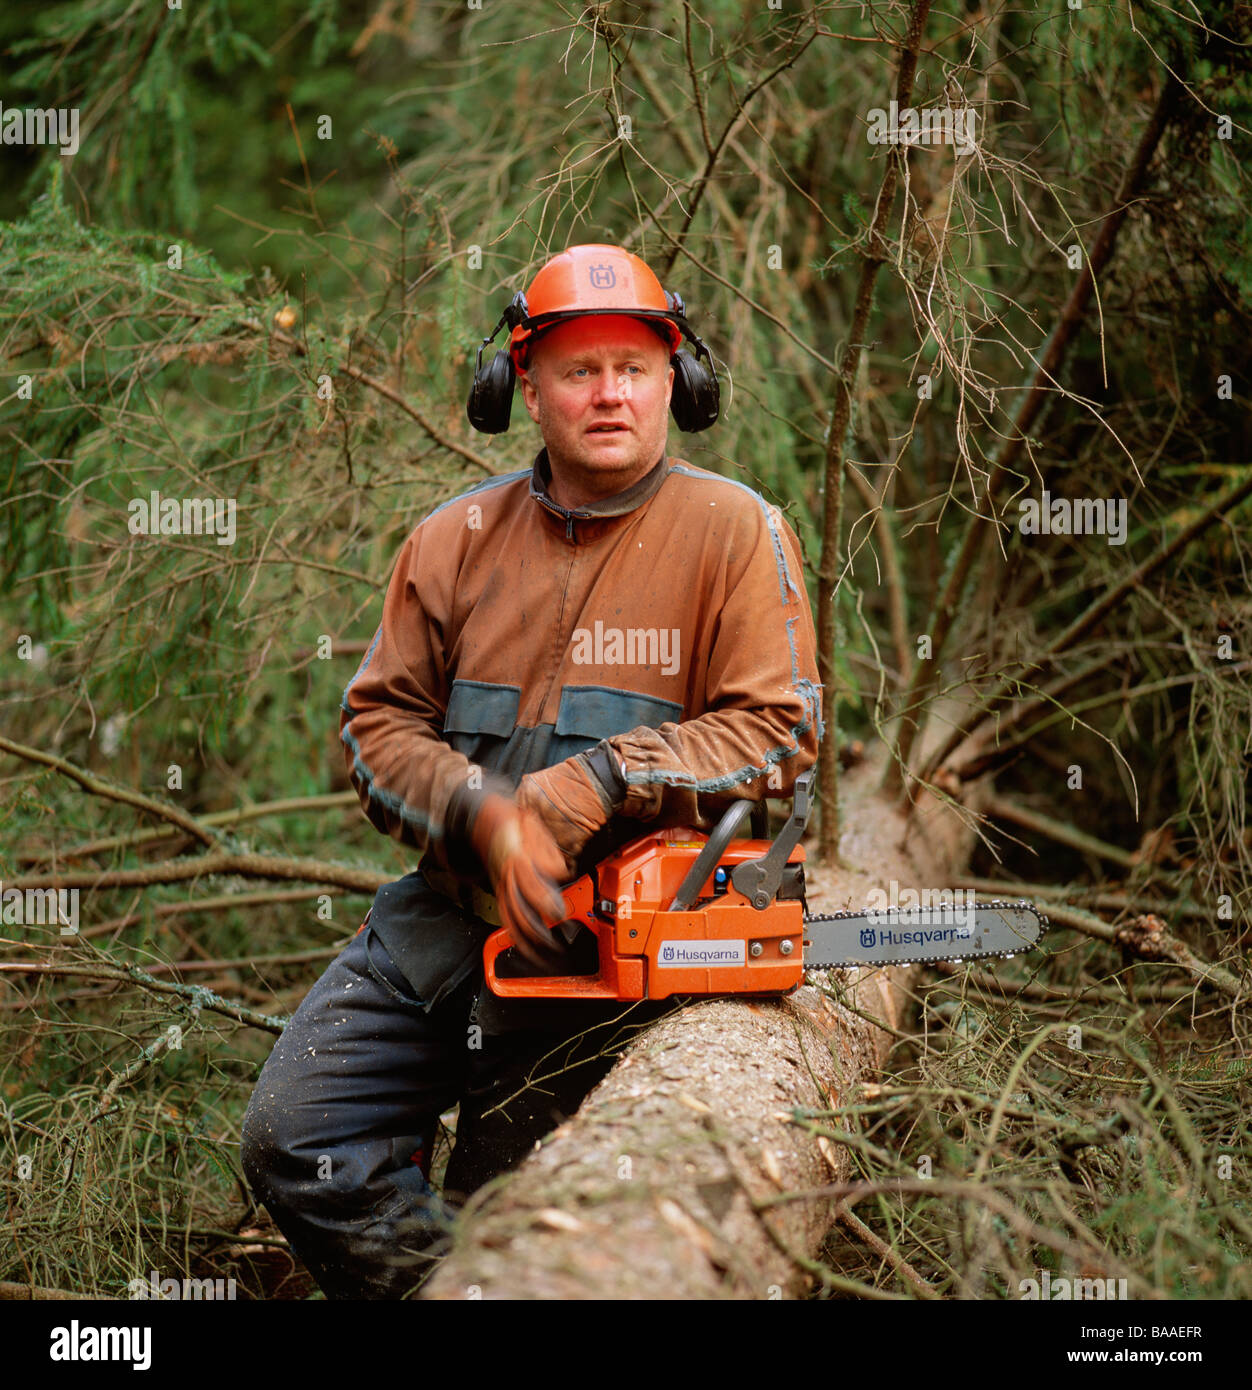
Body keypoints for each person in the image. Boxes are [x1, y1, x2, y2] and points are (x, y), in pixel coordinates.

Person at [239, 244, 822, 1298]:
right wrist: (482, 813)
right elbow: (378, 729)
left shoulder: (734, 532)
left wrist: (601, 778)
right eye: (577, 370)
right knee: (298, 1140)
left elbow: (775, 733)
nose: (609, 394)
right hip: (446, 919)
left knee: (509, 1215)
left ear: (675, 383)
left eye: (633, 368)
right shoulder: (454, 539)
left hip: (605, 955)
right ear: (524, 387)